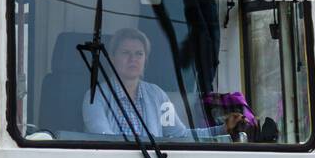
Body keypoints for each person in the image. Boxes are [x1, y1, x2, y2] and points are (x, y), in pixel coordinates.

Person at [82, 27, 244, 141]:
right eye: (125, 53)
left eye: (139, 53)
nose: (133, 59)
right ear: (112, 58)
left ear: (146, 59)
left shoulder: (157, 95)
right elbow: (103, 140)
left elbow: (179, 135)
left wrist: (222, 130)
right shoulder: (96, 96)